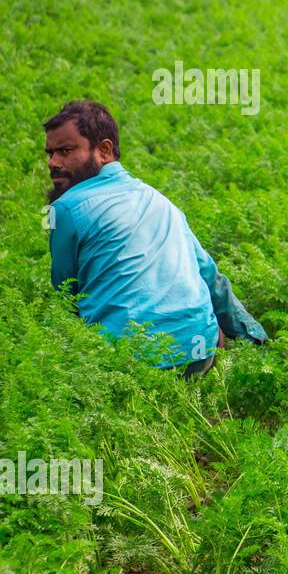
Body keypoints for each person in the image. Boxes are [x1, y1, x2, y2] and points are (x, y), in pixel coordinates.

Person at [43, 100, 268, 377]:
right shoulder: (160, 201)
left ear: (104, 151)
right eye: (50, 153)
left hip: (126, 366)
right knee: (209, 325)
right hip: (197, 357)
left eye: (65, 151)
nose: (54, 163)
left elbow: (66, 296)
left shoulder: (63, 209)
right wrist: (257, 340)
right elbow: (211, 279)